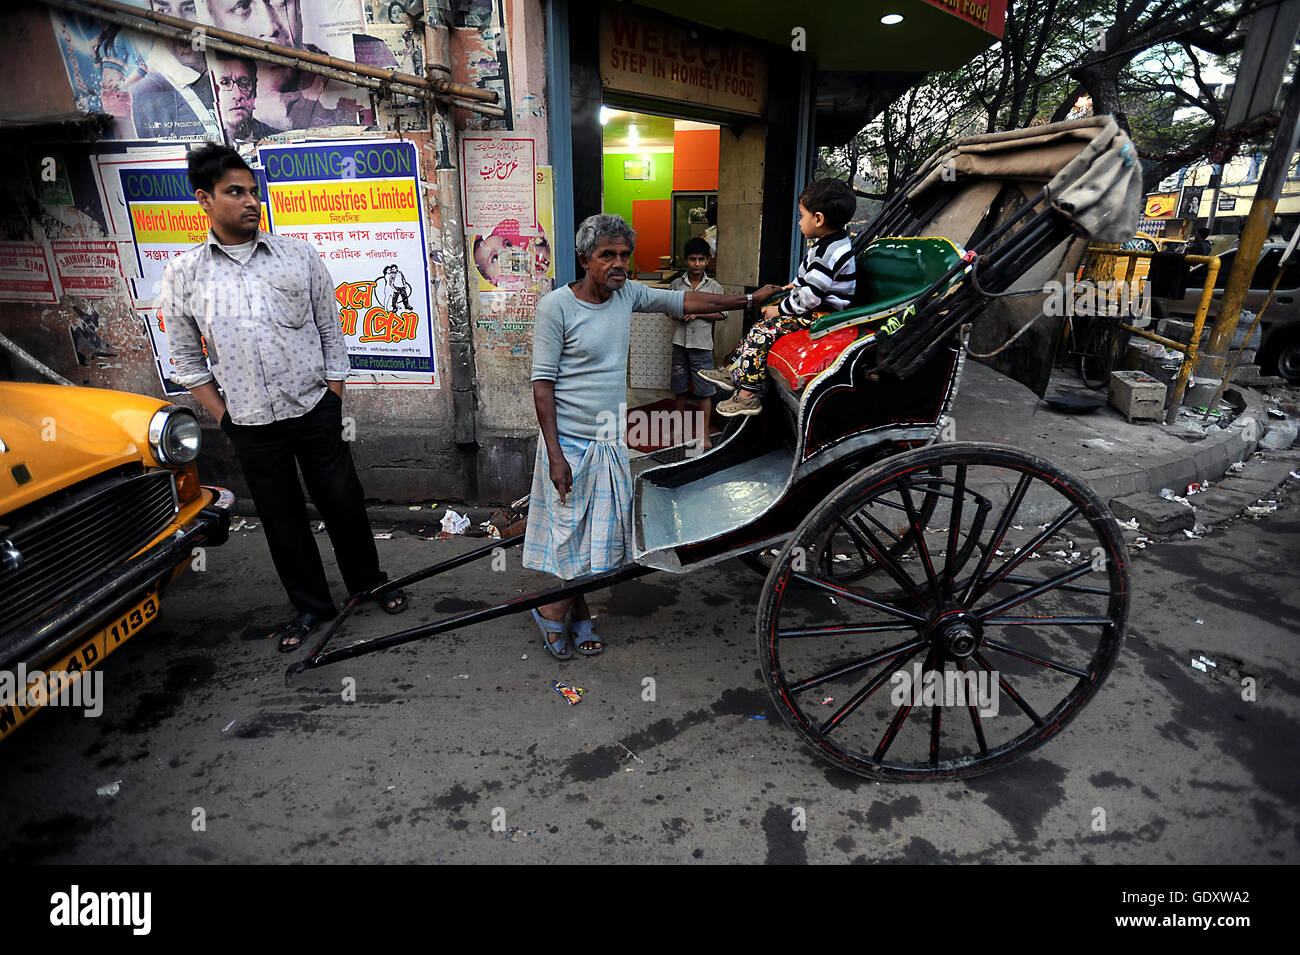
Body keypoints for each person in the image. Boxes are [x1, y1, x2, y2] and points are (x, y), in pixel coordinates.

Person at [161, 144, 408, 653]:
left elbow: (330, 330)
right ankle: (312, 607)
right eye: (236, 192)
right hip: (249, 422)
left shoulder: (298, 255)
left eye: (254, 191)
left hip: (314, 408)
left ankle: (369, 583)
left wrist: (333, 397)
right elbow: (186, 360)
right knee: (281, 518)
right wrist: (224, 417)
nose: (251, 202)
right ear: (204, 200)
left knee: (343, 502)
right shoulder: (185, 274)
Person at [523, 214, 782, 659]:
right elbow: (542, 385)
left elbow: (681, 302)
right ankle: (555, 608)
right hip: (569, 443)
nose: (618, 264)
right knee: (570, 536)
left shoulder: (628, 294)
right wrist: (554, 455)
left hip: (609, 439)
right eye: (608, 255)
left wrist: (751, 300)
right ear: (586, 259)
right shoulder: (557, 308)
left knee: (600, 537)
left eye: (624, 255)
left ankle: (567, 606)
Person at [701, 178, 857, 416]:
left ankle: (747, 395)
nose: (799, 222)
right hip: (813, 309)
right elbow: (807, 281)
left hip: (823, 315)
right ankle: (734, 370)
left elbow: (811, 297)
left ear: (818, 219)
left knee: (764, 332)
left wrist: (780, 309)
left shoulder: (829, 252)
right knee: (760, 326)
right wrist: (789, 287)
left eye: (802, 215)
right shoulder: (827, 244)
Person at [205, 0, 371, 131]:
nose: (270, 28)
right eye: (242, 6)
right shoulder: (210, 99)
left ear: (299, 9)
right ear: (213, 19)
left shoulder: (343, 82)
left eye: (280, 2)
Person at [669, 237, 726, 450]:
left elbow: (722, 313)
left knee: (705, 391)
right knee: (680, 389)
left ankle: (704, 435)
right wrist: (677, 313)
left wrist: (698, 314)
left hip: (702, 346)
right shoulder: (676, 284)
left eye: (701, 259)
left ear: (708, 260)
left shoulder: (714, 287)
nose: (697, 264)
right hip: (679, 344)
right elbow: (668, 308)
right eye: (692, 259)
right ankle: (677, 429)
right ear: (686, 260)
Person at [213, 55, 279, 142]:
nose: (237, 95)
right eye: (225, 83)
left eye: (244, 84)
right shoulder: (206, 140)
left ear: (254, 96)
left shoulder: (276, 139)